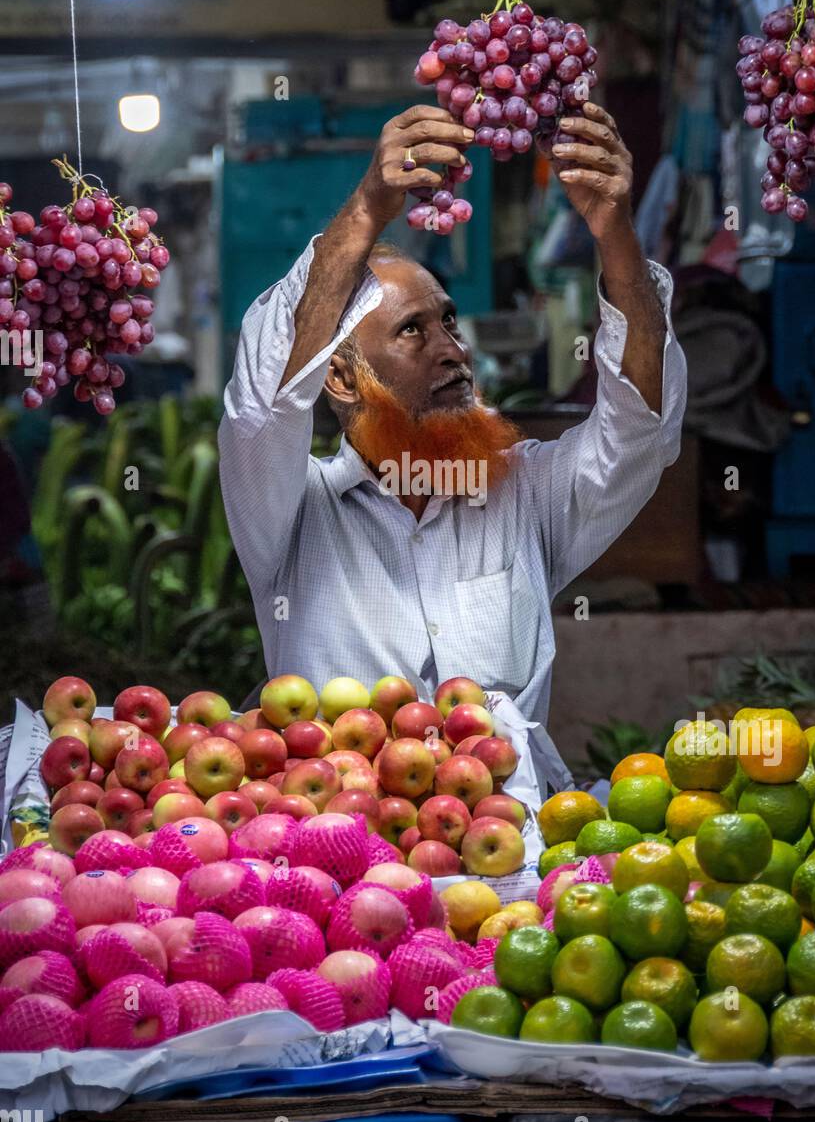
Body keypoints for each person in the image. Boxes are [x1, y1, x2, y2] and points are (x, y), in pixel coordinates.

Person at [218, 102, 686, 723]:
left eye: (449, 322)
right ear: (340, 376)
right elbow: (260, 409)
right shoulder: (290, 515)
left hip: (505, 817)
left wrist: (615, 233)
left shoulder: (525, 493)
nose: (453, 350)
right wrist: (366, 208)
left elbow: (641, 430)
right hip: (340, 820)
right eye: (413, 330)